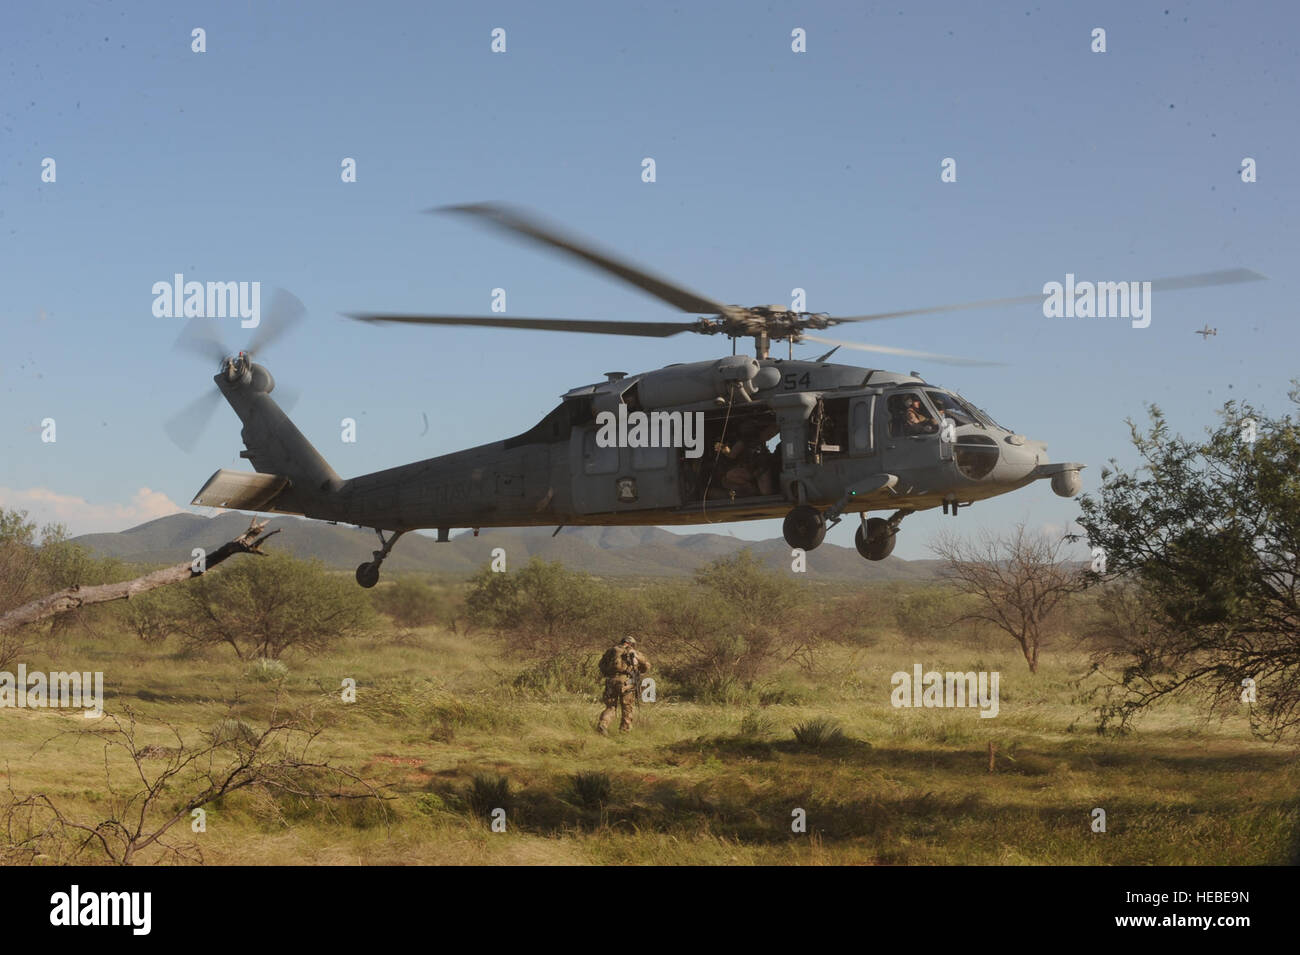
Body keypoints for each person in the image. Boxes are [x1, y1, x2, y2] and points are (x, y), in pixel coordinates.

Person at [597, 636, 650, 734]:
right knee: (627, 707)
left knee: (610, 707)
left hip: (610, 681)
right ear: (630, 643)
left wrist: (609, 674)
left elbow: (601, 665)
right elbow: (646, 666)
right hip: (626, 682)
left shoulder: (611, 651)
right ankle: (624, 732)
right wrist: (639, 671)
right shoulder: (634, 652)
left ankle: (603, 724)